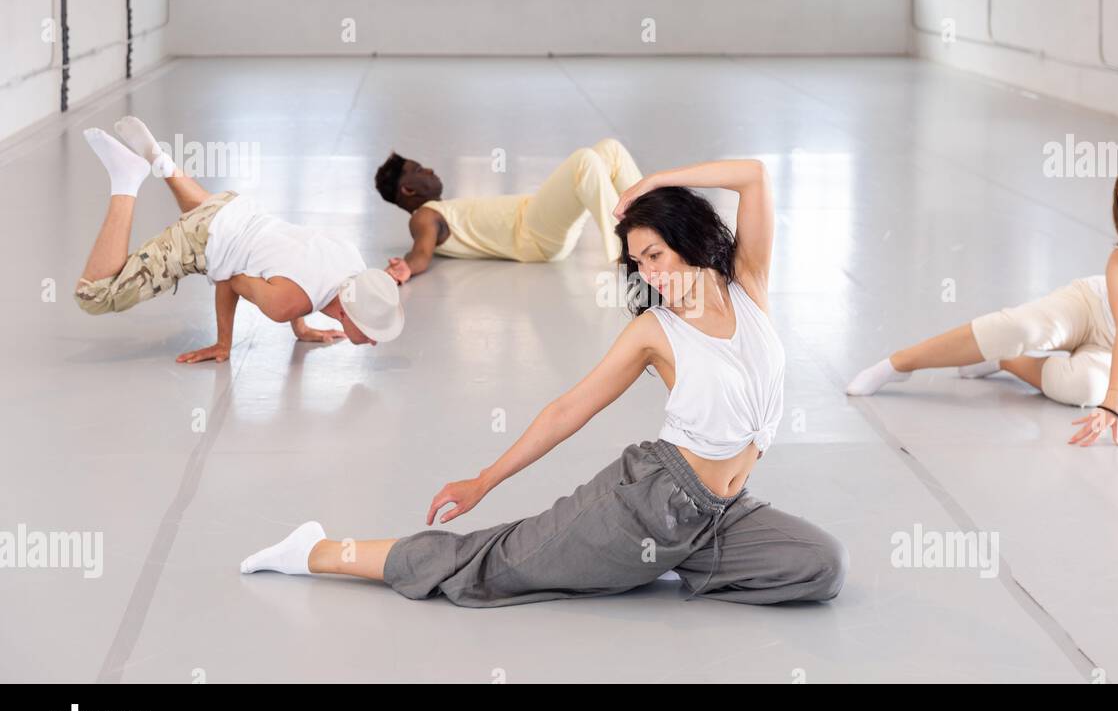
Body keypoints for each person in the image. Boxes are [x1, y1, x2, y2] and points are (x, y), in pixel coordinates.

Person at [241, 159, 848, 606]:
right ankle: (317, 552)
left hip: (720, 513)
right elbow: (568, 410)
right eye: (637, 263)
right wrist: (484, 479)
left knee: (819, 565)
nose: (648, 273)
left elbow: (754, 175)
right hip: (645, 505)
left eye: (656, 254)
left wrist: (650, 186)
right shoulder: (654, 332)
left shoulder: (747, 284)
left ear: (688, 239)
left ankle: (663, 561)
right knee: (495, 565)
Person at [846, 163, 1118, 446]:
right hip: (1089, 308)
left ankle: (1005, 363)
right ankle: (898, 365)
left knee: (1085, 389)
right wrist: (1116, 401)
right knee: (1020, 328)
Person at [75, 117, 405, 362]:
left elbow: (298, 269)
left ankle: (163, 162)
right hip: (202, 239)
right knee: (94, 296)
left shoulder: (352, 263)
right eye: (373, 333)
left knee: (207, 220)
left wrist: (301, 330)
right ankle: (126, 179)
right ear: (346, 315)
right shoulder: (285, 304)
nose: (375, 342)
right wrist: (223, 344)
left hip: (232, 209)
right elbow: (230, 280)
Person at [374, 138, 642, 284]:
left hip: (538, 222)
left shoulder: (440, 210)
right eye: (420, 171)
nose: (430, 171)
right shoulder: (425, 217)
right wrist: (406, 266)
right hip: (532, 233)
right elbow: (421, 253)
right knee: (584, 160)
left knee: (611, 150)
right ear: (408, 190)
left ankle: (658, 226)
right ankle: (632, 250)